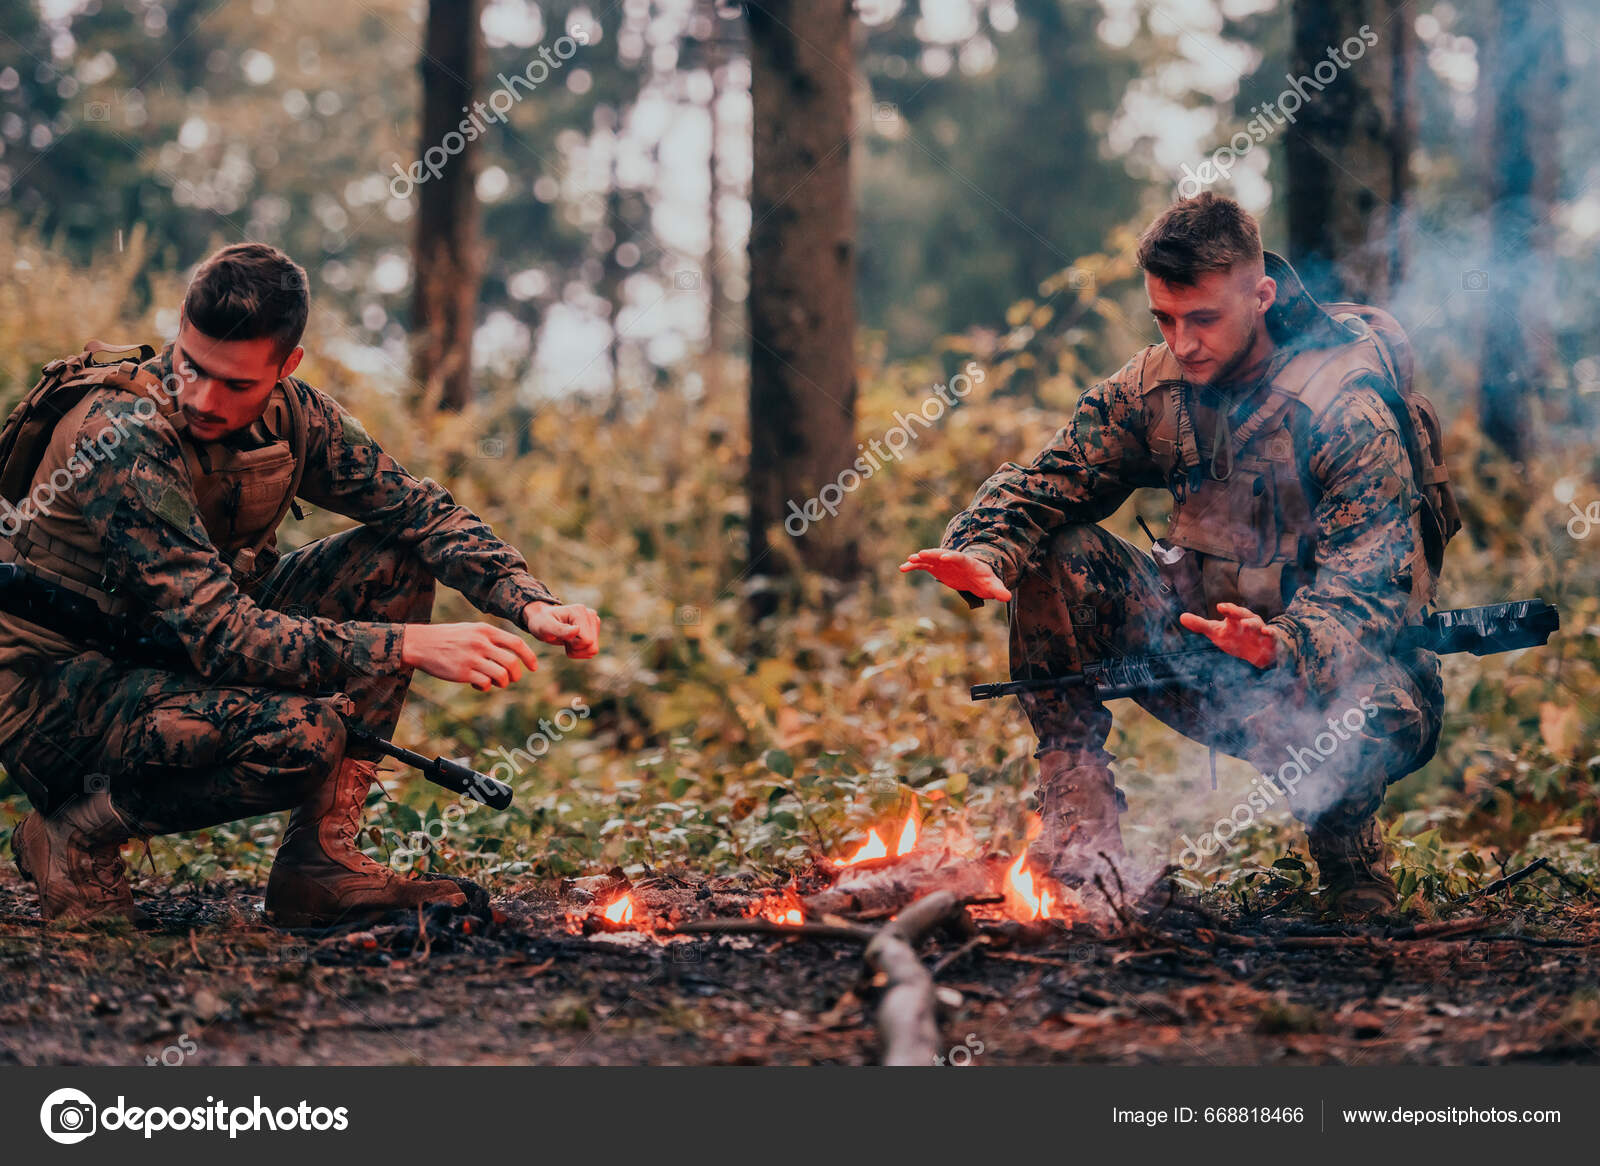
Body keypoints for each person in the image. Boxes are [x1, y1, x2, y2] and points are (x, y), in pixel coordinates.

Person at [0, 242, 600, 928]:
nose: (200, 397)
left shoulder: (296, 416)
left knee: (392, 559)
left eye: (235, 383)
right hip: (52, 694)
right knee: (301, 736)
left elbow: (421, 513)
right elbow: (221, 634)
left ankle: (320, 865)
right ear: (178, 336)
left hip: (162, 653)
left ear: (288, 366)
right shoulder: (122, 434)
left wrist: (530, 600)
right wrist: (403, 645)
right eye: (189, 367)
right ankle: (75, 830)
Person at [902, 194, 1446, 920]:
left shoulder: (1345, 407)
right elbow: (1048, 482)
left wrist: (1281, 646)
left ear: (1261, 295)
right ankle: (1081, 831)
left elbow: (1368, 592)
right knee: (1054, 549)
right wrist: (985, 549)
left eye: (1204, 319)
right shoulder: (1157, 388)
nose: (1183, 343)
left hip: (1349, 684)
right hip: (1200, 659)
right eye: (1165, 318)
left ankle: (1352, 860)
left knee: (1356, 715)